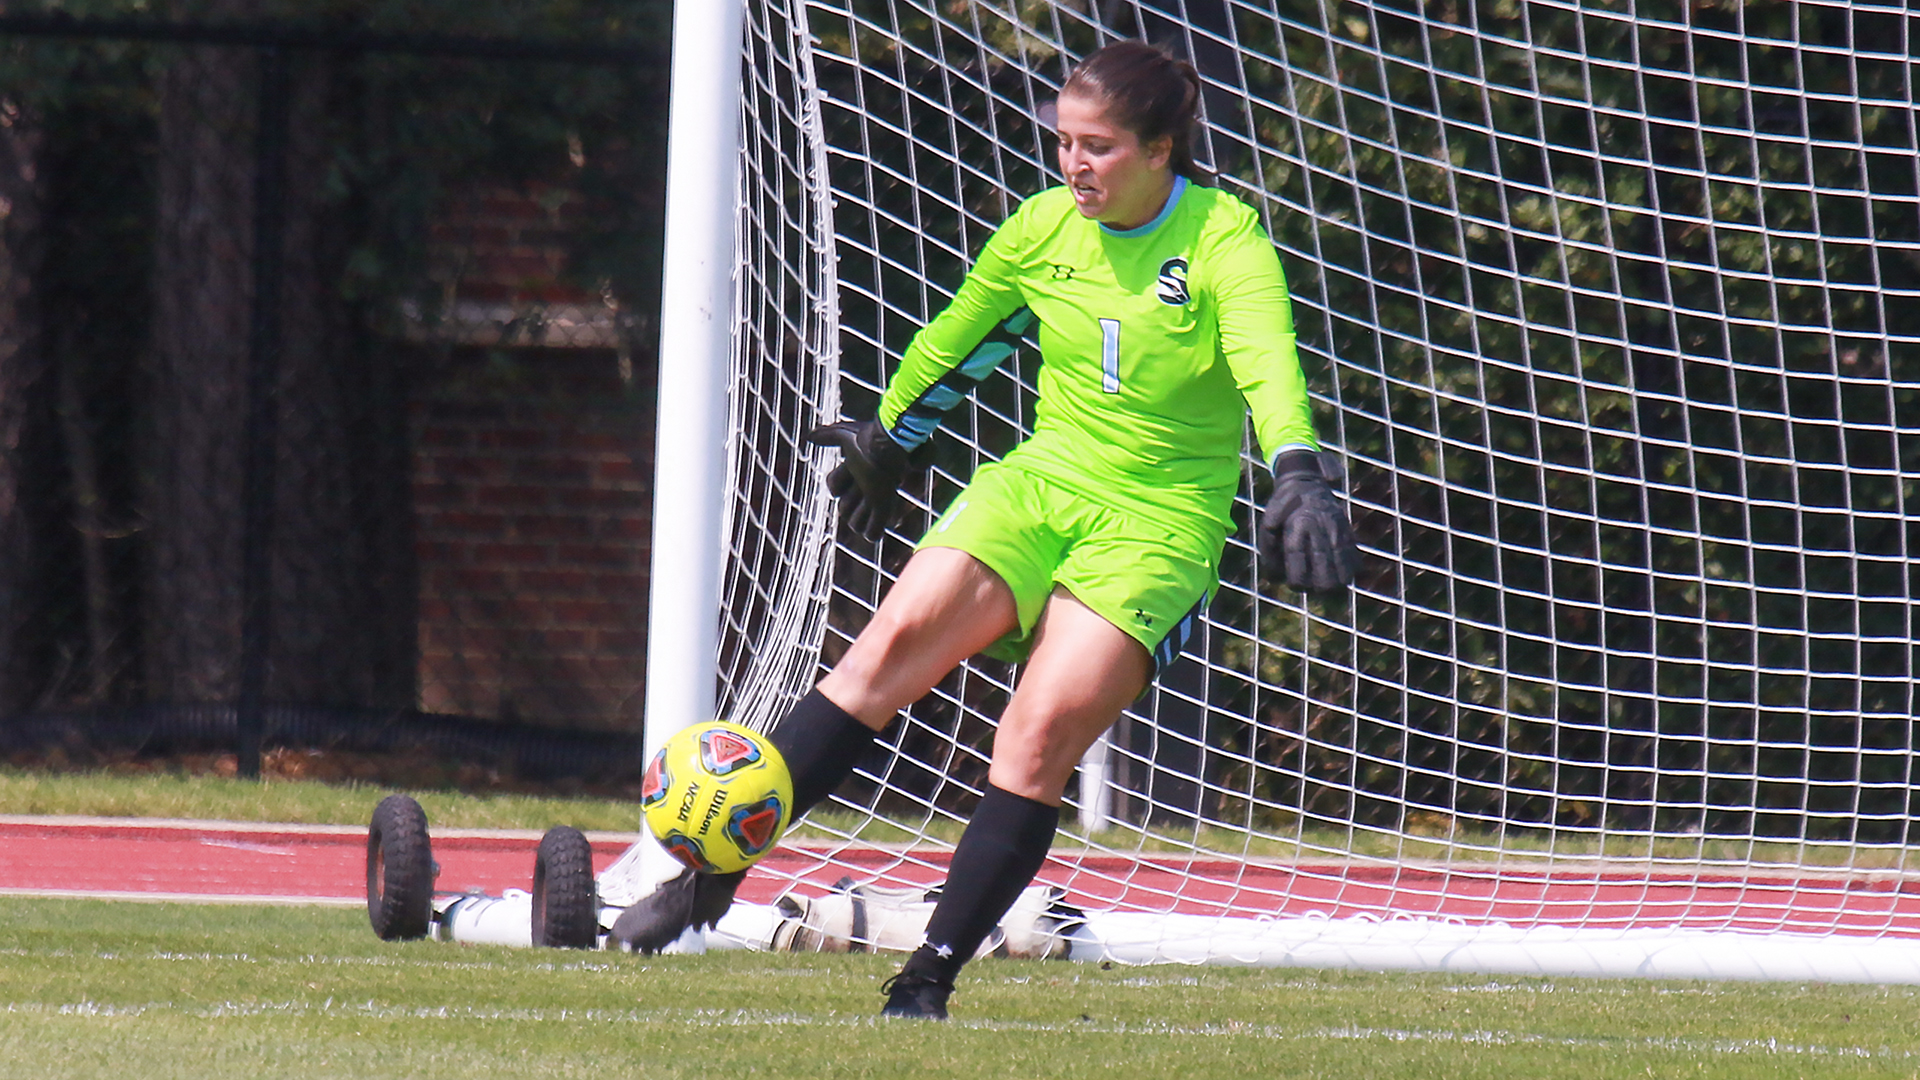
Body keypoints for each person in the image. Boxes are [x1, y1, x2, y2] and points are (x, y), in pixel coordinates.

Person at [612, 40, 1357, 1019]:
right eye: (1064, 144)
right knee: (885, 650)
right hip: (1040, 484)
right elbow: (961, 334)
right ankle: (710, 878)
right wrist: (891, 433)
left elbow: (1270, 367)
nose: (1074, 166)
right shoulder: (1043, 228)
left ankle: (928, 974)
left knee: (1037, 734)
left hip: (1160, 522)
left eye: (1098, 147)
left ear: (1161, 150)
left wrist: (1297, 474)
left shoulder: (1226, 239)